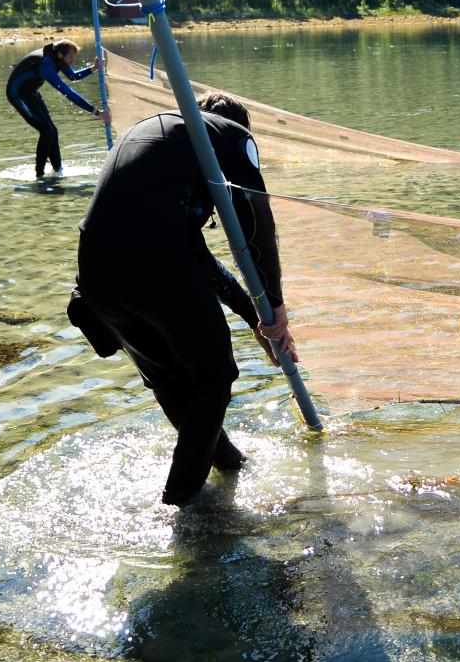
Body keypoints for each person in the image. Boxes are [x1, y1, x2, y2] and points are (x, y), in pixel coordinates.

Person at [66, 91, 294, 507]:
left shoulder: (156, 136)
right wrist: (275, 306)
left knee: (172, 378)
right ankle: (182, 503)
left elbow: (199, 258)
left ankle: (226, 464)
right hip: (155, 266)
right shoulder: (230, 135)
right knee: (215, 376)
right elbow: (256, 221)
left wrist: (254, 318)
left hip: (94, 278)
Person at [5, 40, 111, 179]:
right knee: (46, 131)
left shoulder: (58, 58)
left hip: (32, 93)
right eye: (70, 58)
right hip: (17, 95)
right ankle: (39, 176)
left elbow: (73, 76)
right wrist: (97, 112)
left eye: (74, 57)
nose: (72, 61)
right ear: (61, 54)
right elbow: (67, 92)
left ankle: (58, 171)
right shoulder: (46, 65)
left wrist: (93, 68)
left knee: (52, 131)